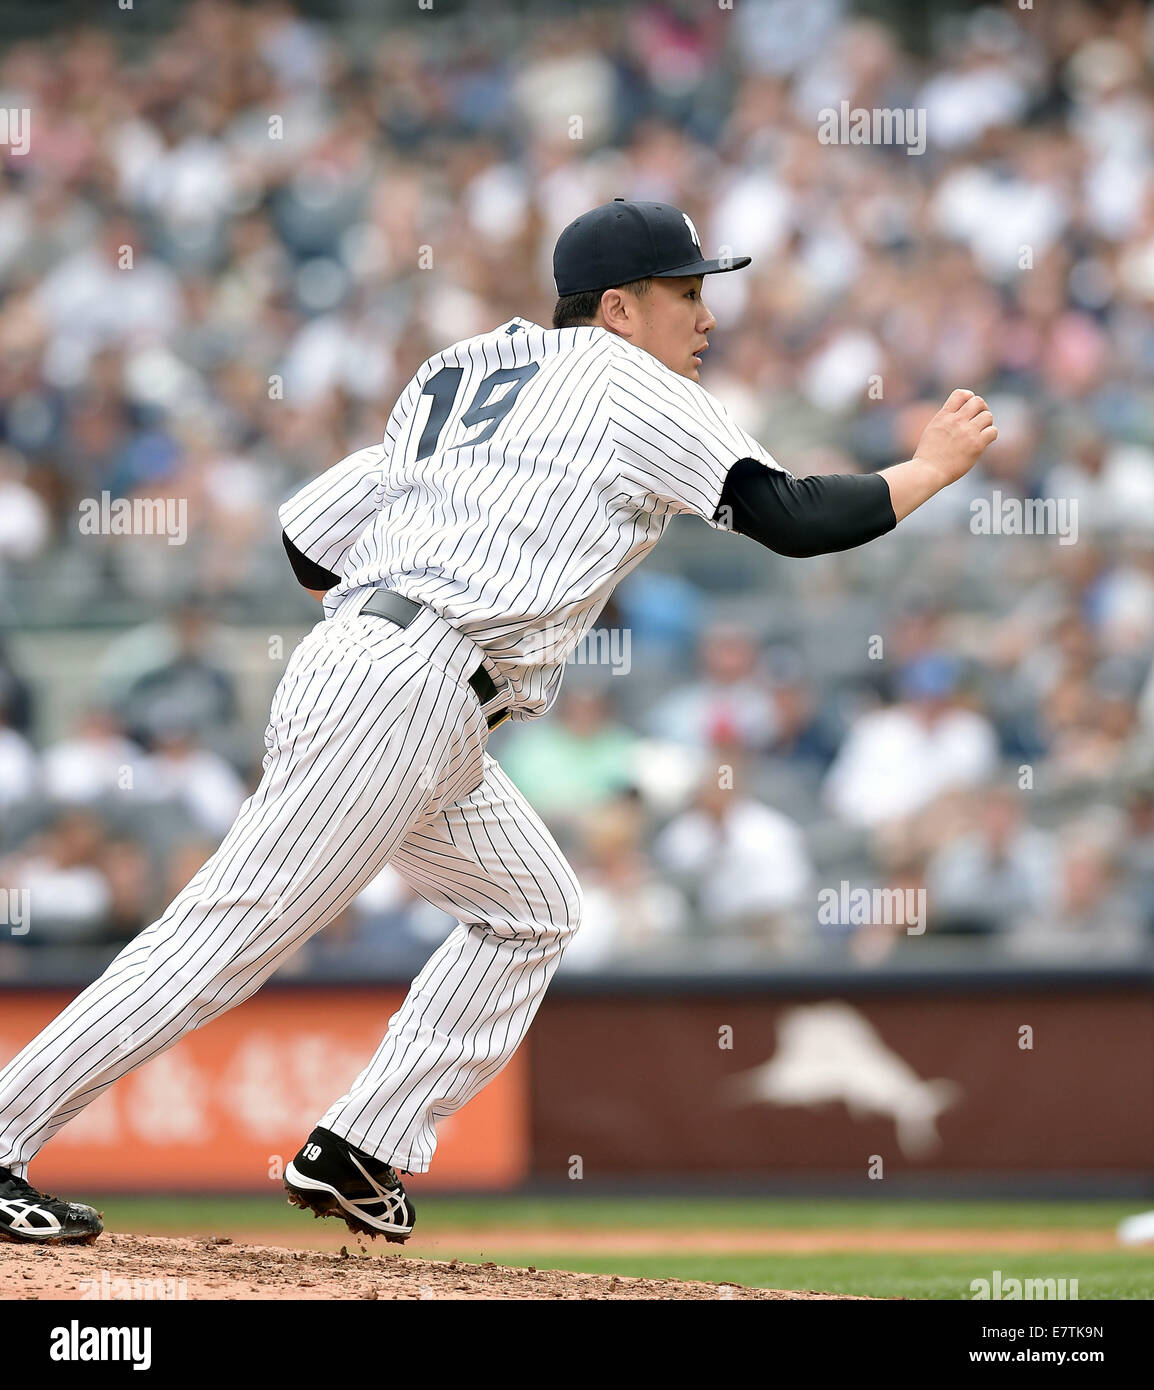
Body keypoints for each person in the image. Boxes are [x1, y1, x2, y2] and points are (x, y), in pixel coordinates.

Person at [0, 199, 997, 1245]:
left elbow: (305, 547)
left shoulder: (458, 367)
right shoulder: (628, 379)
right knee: (222, 940)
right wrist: (925, 467)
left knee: (532, 908)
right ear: (617, 308)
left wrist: (400, 609)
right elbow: (789, 516)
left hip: (398, 682)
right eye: (687, 293)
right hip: (409, 684)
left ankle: (359, 1140)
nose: (705, 317)